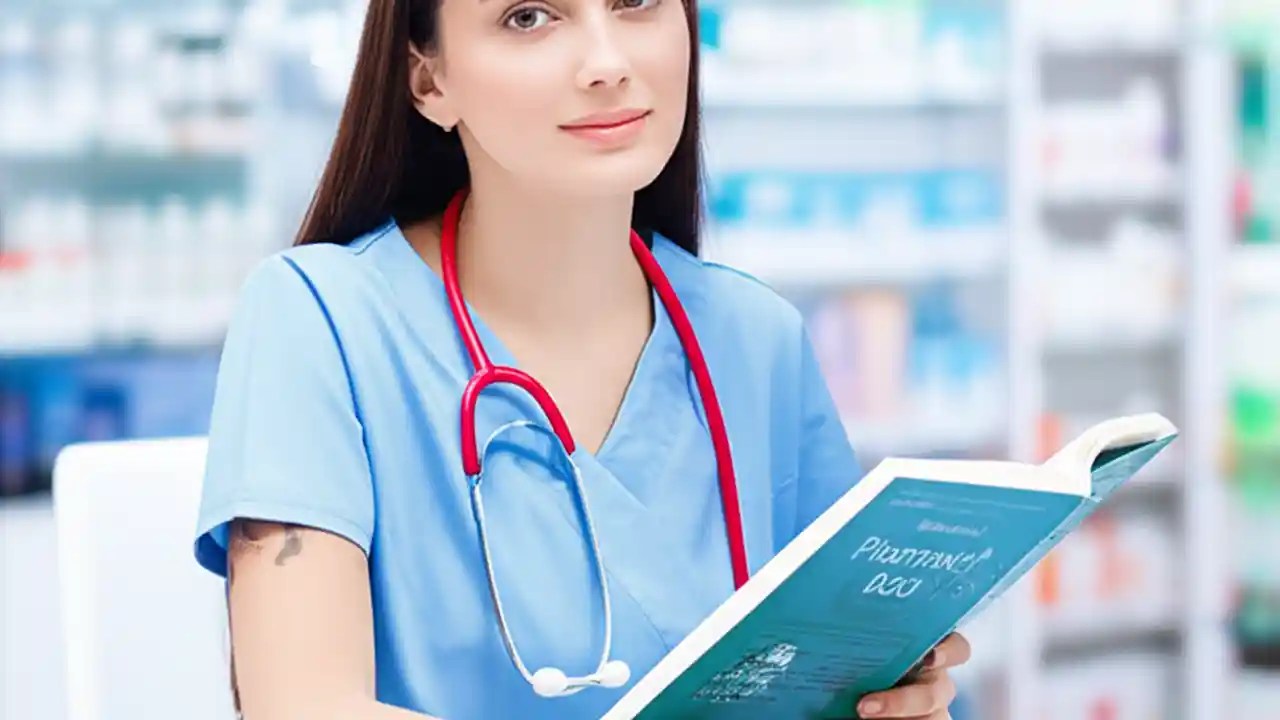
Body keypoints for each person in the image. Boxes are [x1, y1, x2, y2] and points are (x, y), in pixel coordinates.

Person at [191, 0, 971, 718]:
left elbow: (831, 670)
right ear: (430, 81)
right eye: (529, 17)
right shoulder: (320, 317)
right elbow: (305, 705)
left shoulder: (755, 338)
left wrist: (891, 701)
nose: (607, 61)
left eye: (635, 0)